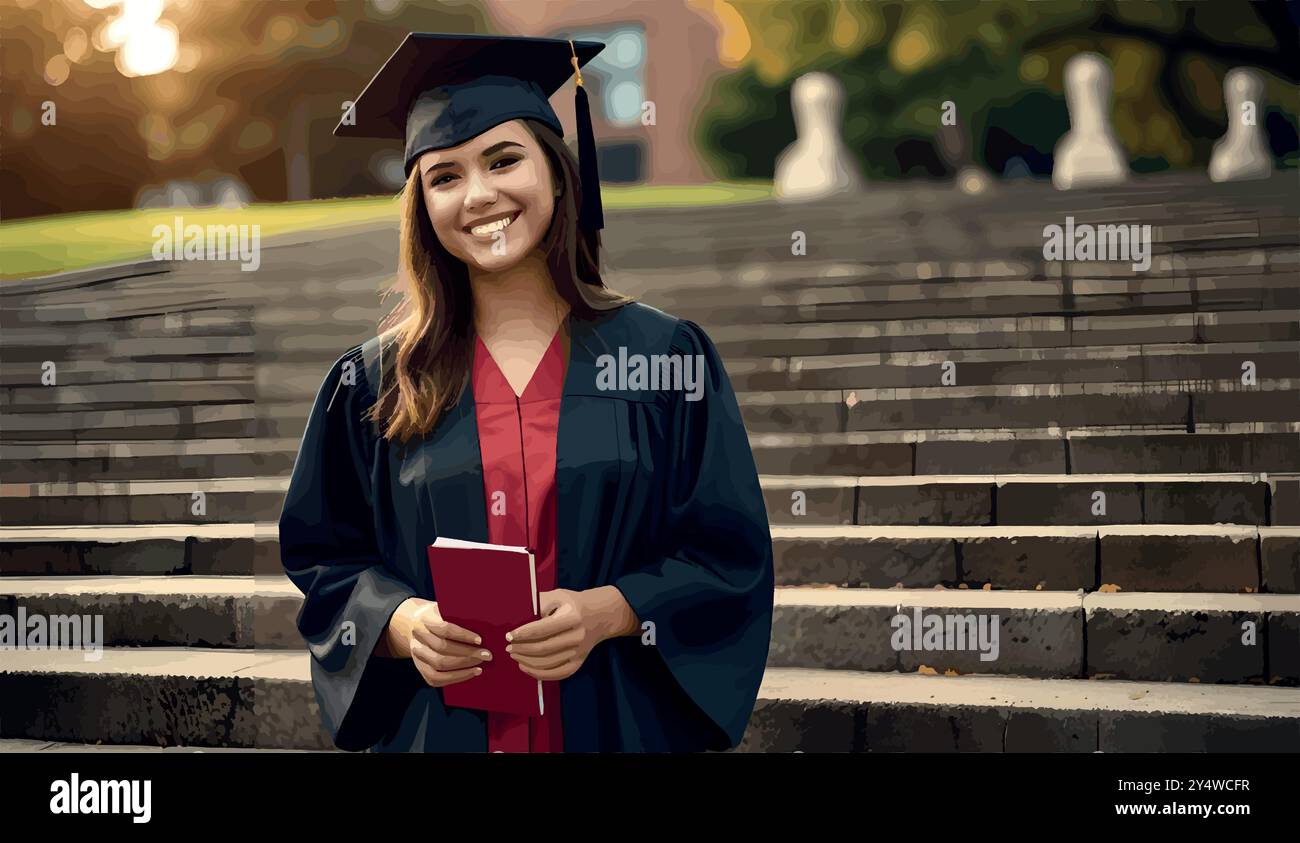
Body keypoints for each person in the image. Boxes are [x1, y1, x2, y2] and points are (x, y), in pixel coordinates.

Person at [278, 32, 774, 753]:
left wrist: (611, 609)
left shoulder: (663, 355)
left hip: (613, 723)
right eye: (445, 176)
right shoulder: (373, 382)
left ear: (558, 171)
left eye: (504, 160)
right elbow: (324, 558)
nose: (479, 195)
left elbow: (728, 553)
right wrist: (404, 621)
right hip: (442, 729)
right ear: (421, 204)